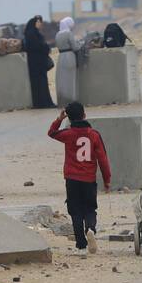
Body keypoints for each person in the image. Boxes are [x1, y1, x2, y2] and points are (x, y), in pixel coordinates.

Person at [48, 101, 112, 257]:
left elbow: (51, 132)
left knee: (75, 211)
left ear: (69, 118)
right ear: (84, 115)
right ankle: (90, 228)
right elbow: (103, 159)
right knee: (90, 208)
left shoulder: (67, 134)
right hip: (89, 179)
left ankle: (81, 245)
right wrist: (107, 179)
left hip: (72, 179)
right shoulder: (94, 135)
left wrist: (59, 119)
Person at [22, 15, 55, 108]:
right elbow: (37, 46)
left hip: (37, 63)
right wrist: (46, 48)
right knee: (40, 84)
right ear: (35, 23)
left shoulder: (33, 33)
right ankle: (43, 103)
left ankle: (43, 103)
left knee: (41, 84)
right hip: (37, 64)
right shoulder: (32, 34)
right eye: (39, 22)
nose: (40, 24)